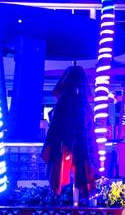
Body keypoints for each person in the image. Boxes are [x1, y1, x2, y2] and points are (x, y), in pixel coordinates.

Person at [41, 66, 97, 201]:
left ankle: (60, 200)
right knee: (80, 175)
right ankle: (78, 201)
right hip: (76, 146)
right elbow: (87, 127)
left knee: (60, 176)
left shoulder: (64, 103)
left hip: (64, 145)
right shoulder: (82, 105)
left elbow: (55, 126)